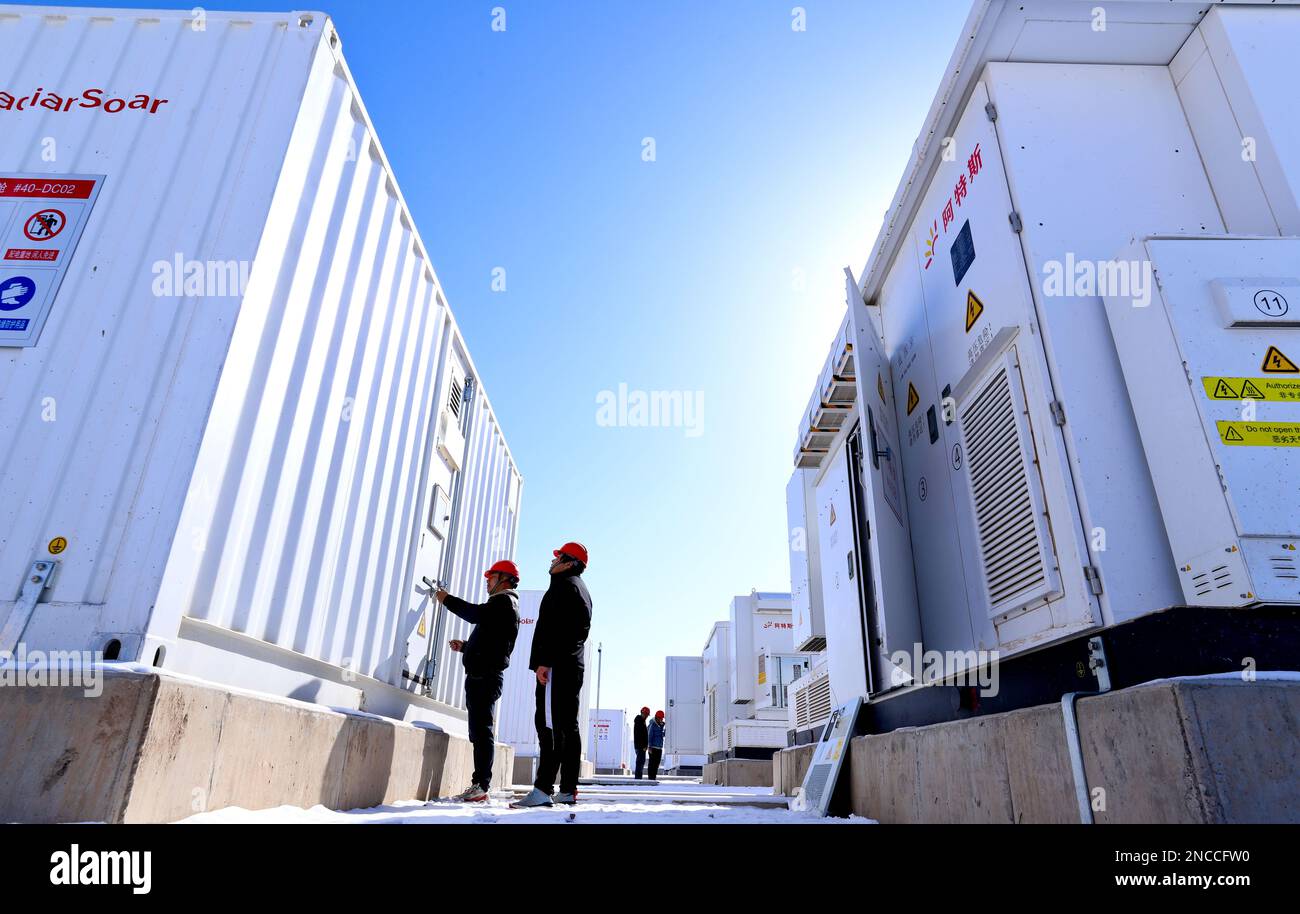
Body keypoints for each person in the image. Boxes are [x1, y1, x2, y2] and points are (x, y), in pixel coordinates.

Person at [512, 542, 593, 808]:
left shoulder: (565, 586)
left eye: (559, 557)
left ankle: (542, 789)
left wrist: (545, 662)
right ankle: (568, 789)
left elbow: (560, 631)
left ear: (570, 562)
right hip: (568, 666)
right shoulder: (576, 587)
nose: (553, 560)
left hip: (558, 667)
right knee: (567, 727)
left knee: (550, 727)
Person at [434, 560, 521, 802]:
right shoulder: (503, 605)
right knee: (479, 732)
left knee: (482, 733)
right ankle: (479, 783)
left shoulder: (503, 602)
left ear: (503, 578)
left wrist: (445, 599)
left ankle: (481, 785)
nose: (487, 581)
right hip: (483, 677)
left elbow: (474, 614)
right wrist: (466, 648)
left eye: (490, 577)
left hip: (485, 679)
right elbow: (492, 642)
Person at [647, 710, 666, 780]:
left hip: (659, 748)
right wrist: (649, 747)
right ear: (657, 717)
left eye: (662, 718)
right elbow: (650, 736)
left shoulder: (660, 726)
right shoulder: (653, 725)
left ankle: (653, 777)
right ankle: (650, 778)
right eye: (660, 718)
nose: (661, 720)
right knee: (652, 763)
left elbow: (661, 735)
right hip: (653, 748)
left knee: (657, 764)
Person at [633, 707, 650, 780]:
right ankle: (638, 778)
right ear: (642, 713)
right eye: (645, 714)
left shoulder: (641, 721)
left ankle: (639, 777)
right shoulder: (639, 721)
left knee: (641, 762)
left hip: (641, 747)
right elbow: (640, 735)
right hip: (640, 747)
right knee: (640, 763)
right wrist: (643, 746)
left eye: (647, 715)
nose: (646, 716)